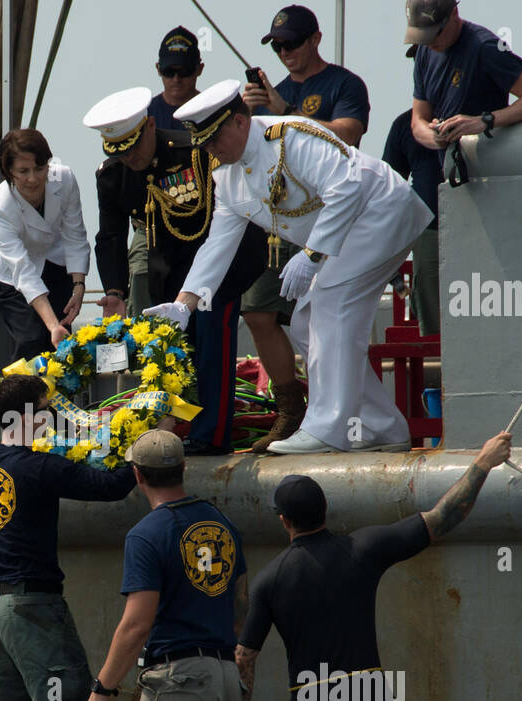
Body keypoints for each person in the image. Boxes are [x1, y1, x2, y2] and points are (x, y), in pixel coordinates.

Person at [147, 81, 432, 456]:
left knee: (330, 302)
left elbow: (345, 187)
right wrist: (184, 304)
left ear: (238, 121)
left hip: (380, 212)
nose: (211, 151)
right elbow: (217, 245)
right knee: (303, 321)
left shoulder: (290, 138)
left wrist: (311, 255)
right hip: (344, 233)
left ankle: (328, 428)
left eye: (215, 140)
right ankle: (380, 426)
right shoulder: (226, 174)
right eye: (205, 144)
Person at [237, 431, 513, 701]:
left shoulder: (270, 580)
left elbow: (245, 656)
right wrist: (483, 461)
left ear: (284, 520)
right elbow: (443, 517)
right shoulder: (363, 549)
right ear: (325, 509)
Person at [0, 374, 137, 701]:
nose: (52, 412)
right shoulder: (40, 467)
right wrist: (135, 440)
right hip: (32, 604)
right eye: (46, 407)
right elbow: (113, 486)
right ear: (30, 415)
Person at [85, 87, 264, 455]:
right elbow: (110, 236)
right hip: (168, 269)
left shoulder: (193, 152)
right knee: (177, 350)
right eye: (118, 150)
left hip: (221, 263)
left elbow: (228, 217)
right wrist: (115, 292)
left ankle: (212, 436)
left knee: (213, 337)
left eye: (133, 146)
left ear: (151, 125)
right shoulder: (112, 176)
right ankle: (176, 428)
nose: (129, 157)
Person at [84, 429, 247, 701]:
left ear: (138, 476)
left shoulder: (145, 535)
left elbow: (136, 624)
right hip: (225, 675)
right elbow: (241, 607)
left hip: (178, 680)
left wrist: (102, 690)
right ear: (184, 468)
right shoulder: (222, 523)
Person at [238, 5, 371, 452]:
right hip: (277, 223)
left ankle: (335, 417)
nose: (284, 52)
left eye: (291, 43)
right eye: (277, 46)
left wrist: (285, 113)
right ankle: (291, 411)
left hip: (330, 221)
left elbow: (347, 136)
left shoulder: (344, 84)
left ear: (316, 39)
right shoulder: (270, 95)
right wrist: (247, 120)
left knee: (319, 323)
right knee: (256, 311)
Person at [0, 128, 90, 362]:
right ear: (9, 171)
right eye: (23, 171)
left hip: (52, 256)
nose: (33, 178)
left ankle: (60, 397)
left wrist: (78, 285)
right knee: (31, 339)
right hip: (8, 272)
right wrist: (51, 327)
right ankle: (27, 400)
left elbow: (75, 235)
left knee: (63, 338)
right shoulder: (1, 207)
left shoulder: (65, 179)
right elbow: (23, 273)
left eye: (40, 169)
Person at [126, 26, 207, 318]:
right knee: (141, 275)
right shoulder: (141, 114)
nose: (175, 79)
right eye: (169, 71)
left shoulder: (213, 110)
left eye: (184, 72)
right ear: (158, 69)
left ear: (199, 69)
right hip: (151, 221)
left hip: (204, 222)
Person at [407, 0, 522, 157]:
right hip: (453, 172)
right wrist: (435, 137)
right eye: (423, 35)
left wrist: (483, 121)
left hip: (491, 168)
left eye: (435, 33)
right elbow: (418, 121)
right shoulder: (424, 50)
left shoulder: (485, 47)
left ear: (454, 13)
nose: (430, 42)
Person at [381, 109, 441, 336]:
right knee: (428, 294)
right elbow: (388, 190)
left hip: (483, 229)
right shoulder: (404, 125)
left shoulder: (478, 114)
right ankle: (437, 364)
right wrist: (386, 248)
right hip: (429, 231)